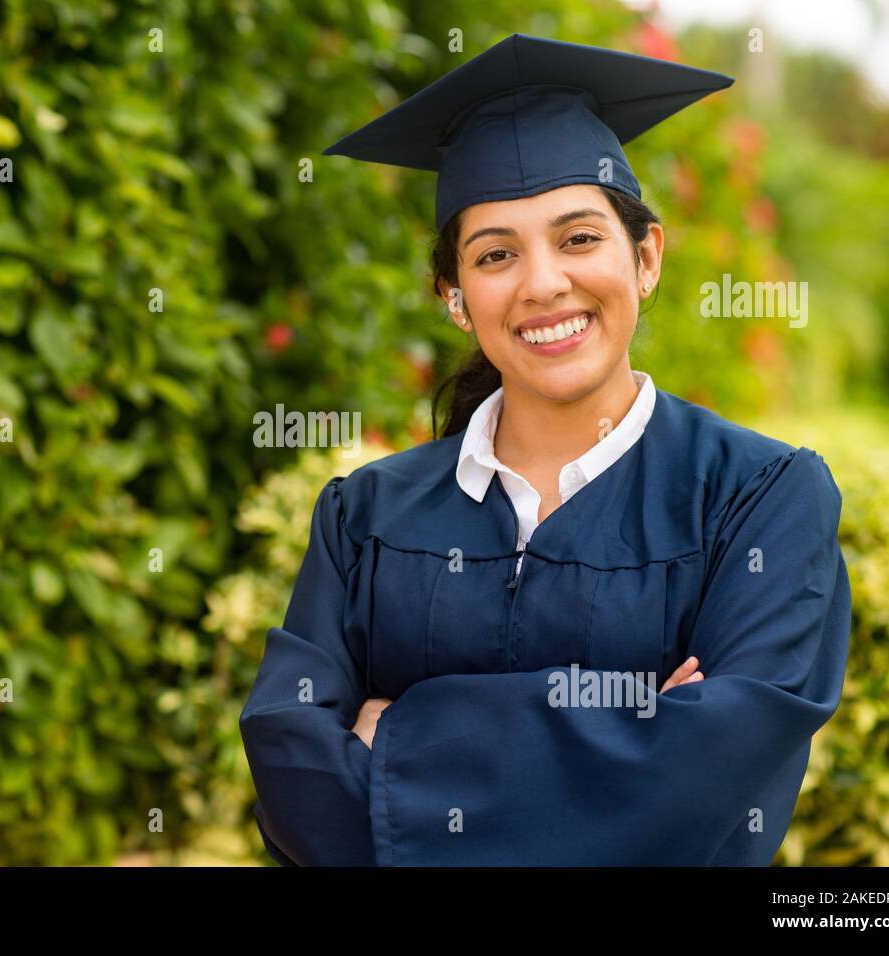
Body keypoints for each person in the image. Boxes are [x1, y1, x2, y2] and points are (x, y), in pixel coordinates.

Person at [238, 33, 851, 866]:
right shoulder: (364, 516)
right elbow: (290, 762)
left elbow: (709, 784)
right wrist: (636, 726)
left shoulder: (759, 497)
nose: (542, 283)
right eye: (496, 254)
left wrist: (397, 735)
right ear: (454, 298)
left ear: (646, 259)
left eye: (578, 239)